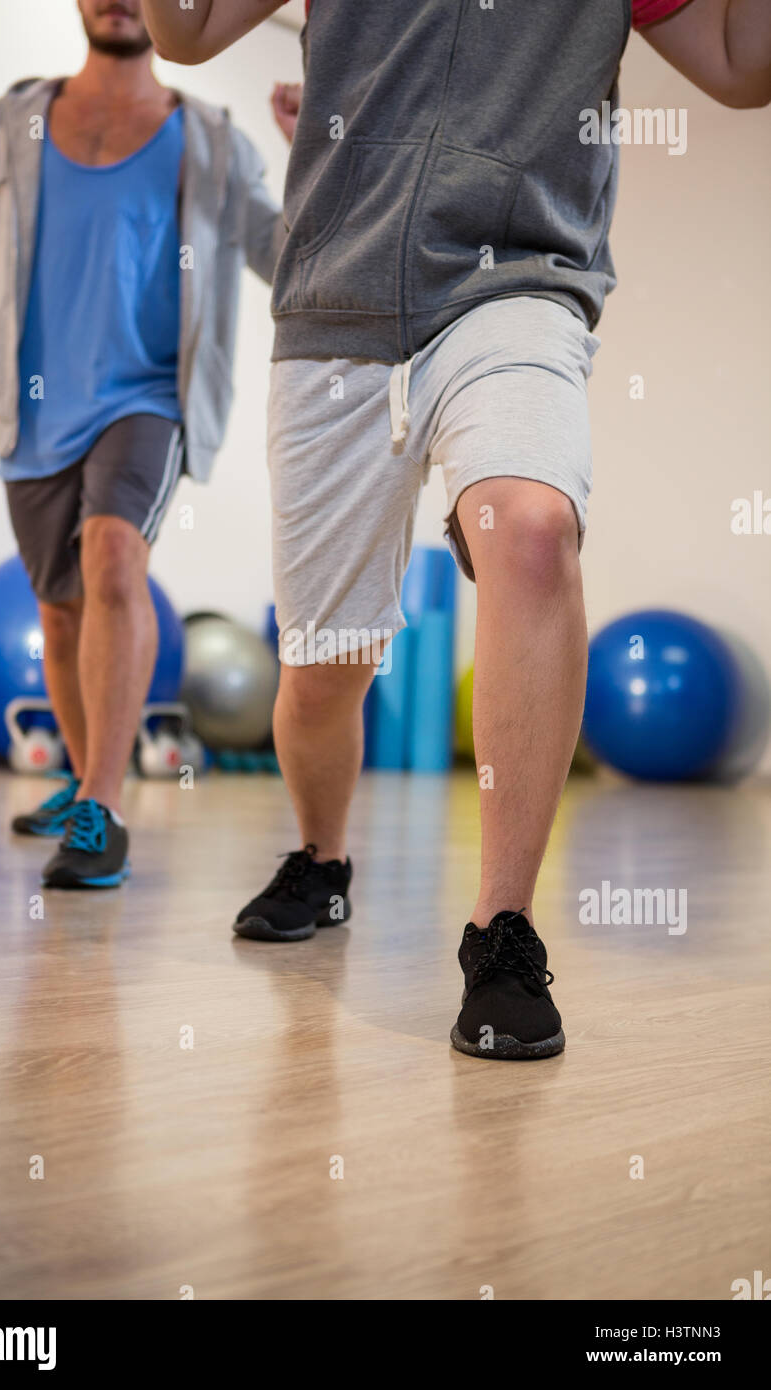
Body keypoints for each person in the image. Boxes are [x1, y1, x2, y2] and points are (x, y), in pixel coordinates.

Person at [142, 0, 769, 1059]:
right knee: (326, 663)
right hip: (335, 308)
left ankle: (503, 932)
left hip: (517, 283)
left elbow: (739, 65)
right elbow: (185, 32)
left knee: (530, 530)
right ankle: (320, 859)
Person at [0, 0, 290, 888]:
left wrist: (320, 155)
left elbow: (286, 255)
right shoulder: (13, 123)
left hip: (150, 398)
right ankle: (83, 784)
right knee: (61, 606)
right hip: (30, 411)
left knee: (114, 560)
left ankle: (104, 811)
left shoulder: (213, 142)